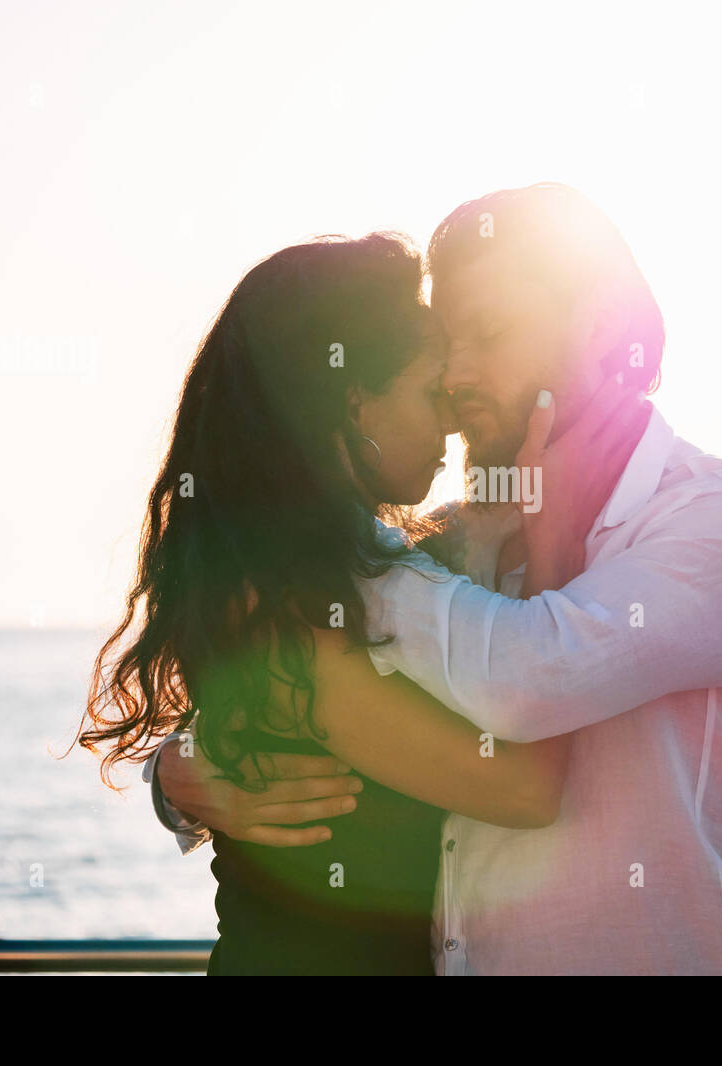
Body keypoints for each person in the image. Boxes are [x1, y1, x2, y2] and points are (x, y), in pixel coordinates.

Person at [153, 184, 722, 975]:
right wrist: (181, 769)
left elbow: (527, 678)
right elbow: (278, 692)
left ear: (603, 328)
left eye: (489, 334)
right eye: (441, 350)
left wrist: (310, 555)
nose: (458, 378)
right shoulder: (466, 543)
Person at [76, 232, 592, 975]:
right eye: (427, 392)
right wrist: (550, 546)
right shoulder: (298, 622)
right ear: (354, 402)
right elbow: (528, 790)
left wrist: (175, 770)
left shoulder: (318, 578)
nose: (450, 420)